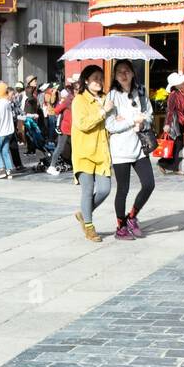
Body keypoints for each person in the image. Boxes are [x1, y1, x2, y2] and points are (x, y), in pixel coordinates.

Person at [105, 59, 156, 241]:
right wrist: (131, 121)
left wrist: (143, 120)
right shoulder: (111, 96)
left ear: (133, 73)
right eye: (119, 72)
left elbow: (150, 116)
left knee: (149, 184)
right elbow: (110, 125)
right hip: (120, 149)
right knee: (123, 189)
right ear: (115, 76)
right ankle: (120, 226)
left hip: (140, 146)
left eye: (127, 71)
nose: (123, 74)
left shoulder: (141, 91)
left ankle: (132, 216)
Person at [71, 65, 113, 242]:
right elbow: (83, 124)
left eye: (101, 78)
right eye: (95, 78)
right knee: (87, 191)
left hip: (102, 152)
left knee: (104, 189)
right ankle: (89, 226)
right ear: (86, 80)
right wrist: (103, 111)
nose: (99, 81)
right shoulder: (79, 100)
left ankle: (84, 212)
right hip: (84, 152)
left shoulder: (106, 99)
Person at [160, 71, 184, 175]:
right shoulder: (173, 95)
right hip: (174, 122)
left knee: (178, 145)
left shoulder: (180, 93)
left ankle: (167, 164)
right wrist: (167, 124)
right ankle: (170, 166)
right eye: (181, 82)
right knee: (176, 145)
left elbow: (182, 107)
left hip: (179, 121)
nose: (183, 84)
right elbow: (170, 110)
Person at [48, 86, 72, 176]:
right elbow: (56, 110)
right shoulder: (68, 99)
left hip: (73, 128)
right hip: (65, 128)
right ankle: (52, 166)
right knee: (60, 147)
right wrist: (62, 102)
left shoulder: (74, 98)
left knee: (74, 147)